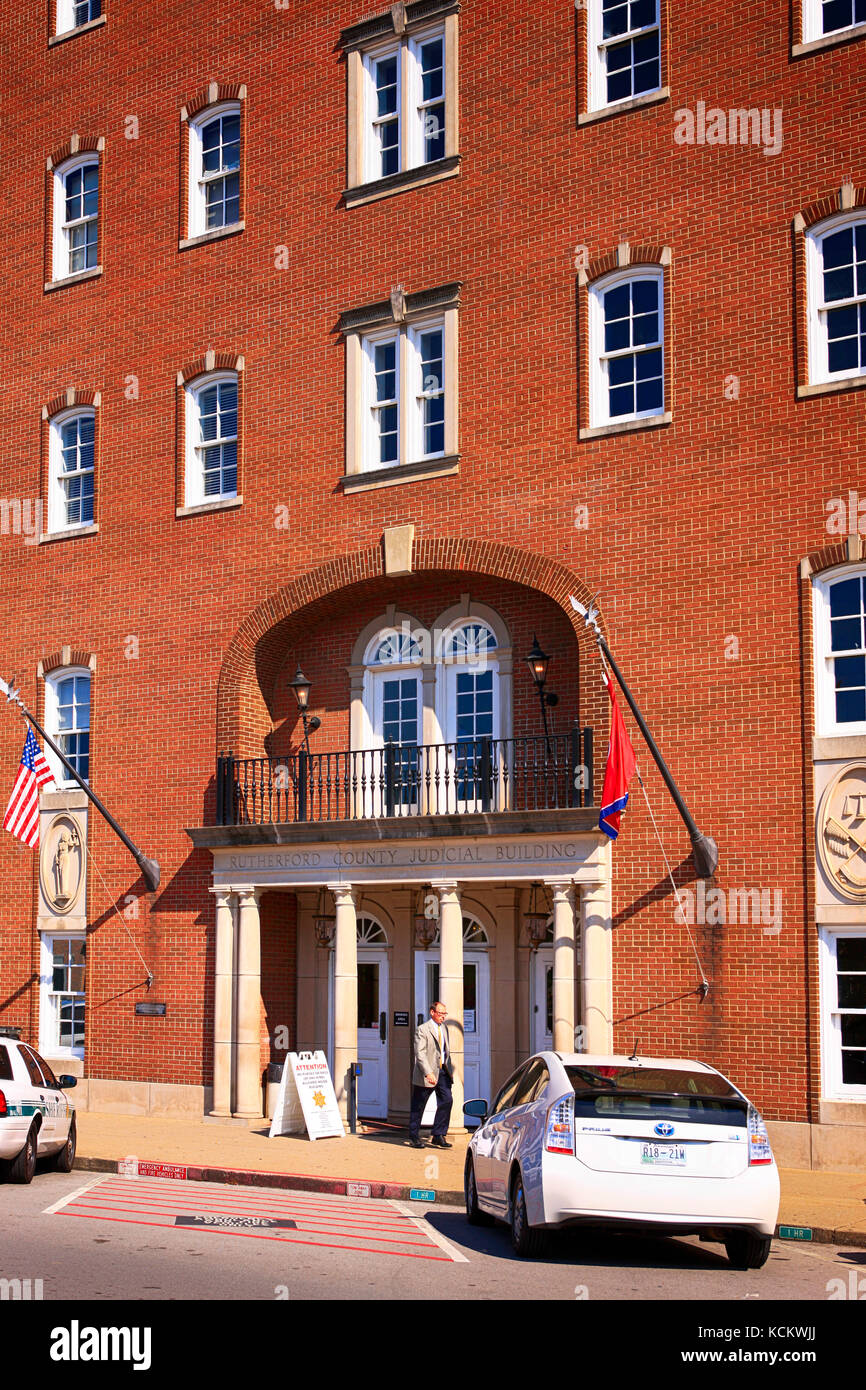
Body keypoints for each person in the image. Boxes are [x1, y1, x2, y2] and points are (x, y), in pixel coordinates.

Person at [409, 1002, 454, 1148]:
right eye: (440, 1013)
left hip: (442, 1071)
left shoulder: (444, 1028)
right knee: (419, 1105)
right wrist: (428, 1072)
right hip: (427, 1073)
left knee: (447, 1100)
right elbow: (420, 1053)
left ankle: (438, 1134)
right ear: (432, 1012)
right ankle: (414, 1136)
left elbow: (445, 1051)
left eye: (444, 1014)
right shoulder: (422, 1029)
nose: (443, 1016)